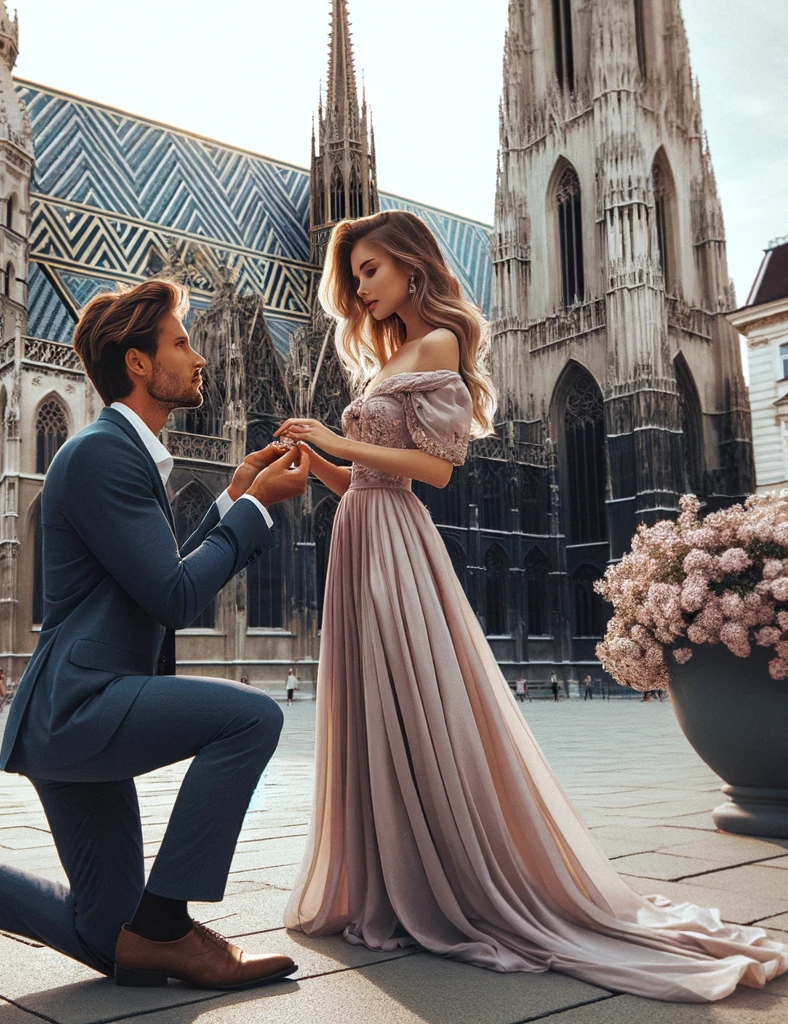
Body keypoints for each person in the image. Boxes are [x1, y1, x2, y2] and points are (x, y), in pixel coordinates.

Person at [278, 209, 786, 1002]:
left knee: (412, 698)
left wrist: (343, 444)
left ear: (412, 267)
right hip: (360, 532)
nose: (360, 289)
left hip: (396, 543)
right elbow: (369, 482)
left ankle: (446, 874)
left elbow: (434, 471)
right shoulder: (388, 358)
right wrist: (320, 462)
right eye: (353, 277)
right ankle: (390, 871)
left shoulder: (436, 345)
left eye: (370, 270)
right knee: (377, 706)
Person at [0, 278, 309, 989]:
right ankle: (169, 923)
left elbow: (150, 577)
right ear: (140, 364)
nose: (199, 357)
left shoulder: (117, 452)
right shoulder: (105, 454)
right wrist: (258, 513)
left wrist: (234, 498)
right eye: (182, 342)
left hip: (74, 713)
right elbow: (175, 598)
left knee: (108, 939)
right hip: (84, 704)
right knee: (251, 719)